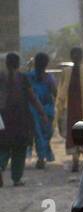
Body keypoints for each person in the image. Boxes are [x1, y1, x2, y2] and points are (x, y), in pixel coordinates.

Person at [1, 52, 46, 186]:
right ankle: (16, 178)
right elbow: (32, 98)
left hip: (3, 118)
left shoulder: (0, 77)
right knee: (19, 149)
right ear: (18, 64)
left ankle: (0, 165)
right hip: (21, 118)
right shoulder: (22, 78)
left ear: (7, 63)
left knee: (2, 146)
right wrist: (42, 113)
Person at [56, 47, 83, 173]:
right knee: (73, 134)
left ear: (81, 56)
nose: (76, 56)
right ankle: (75, 161)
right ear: (71, 56)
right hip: (71, 109)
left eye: (78, 54)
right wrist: (60, 106)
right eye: (74, 54)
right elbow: (61, 91)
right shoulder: (66, 72)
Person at [25, 52, 57, 168]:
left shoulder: (29, 76)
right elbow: (55, 92)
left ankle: (41, 156)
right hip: (46, 109)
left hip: (33, 109)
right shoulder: (49, 78)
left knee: (39, 134)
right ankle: (42, 157)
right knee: (44, 134)